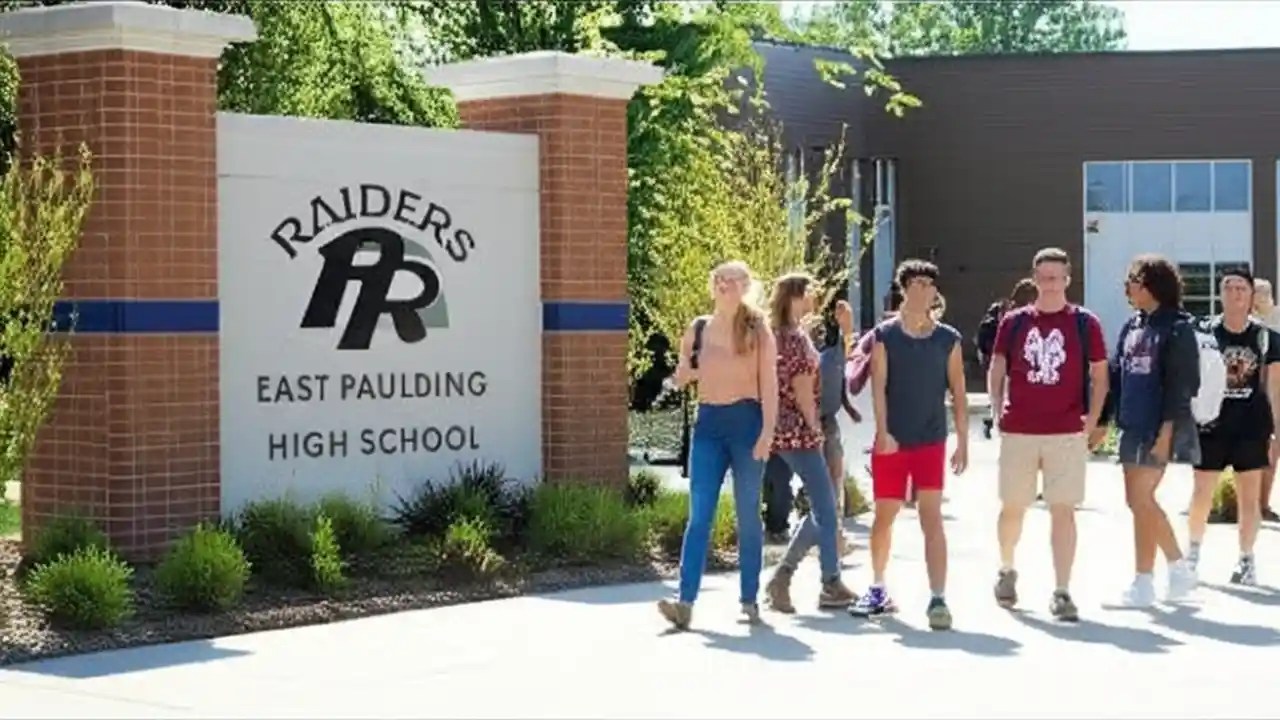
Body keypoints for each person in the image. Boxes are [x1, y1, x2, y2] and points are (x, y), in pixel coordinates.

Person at [987, 248, 1108, 622]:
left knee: (1063, 510)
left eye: (1057, 277)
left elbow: (1100, 374)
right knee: (1012, 506)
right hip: (1020, 429)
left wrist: (1092, 421)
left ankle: (1062, 590)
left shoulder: (1085, 323)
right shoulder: (1014, 322)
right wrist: (996, 412)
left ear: (1067, 280)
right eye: (1044, 277)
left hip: (1066, 432)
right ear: (1035, 279)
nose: (1051, 284)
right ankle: (1007, 568)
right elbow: (998, 366)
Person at [657, 260, 778, 630]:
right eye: (719, 280)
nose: (724, 285)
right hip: (708, 422)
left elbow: (769, 383)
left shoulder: (758, 329)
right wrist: (678, 380)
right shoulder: (697, 329)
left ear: (745, 286)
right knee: (699, 516)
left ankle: (749, 599)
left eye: (733, 280)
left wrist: (767, 433)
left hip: (747, 423)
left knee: (747, 516)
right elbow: (689, 373)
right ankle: (685, 601)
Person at [849, 259, 968, 630]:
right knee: (885, 515)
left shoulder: (948, 338)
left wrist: (963, 441)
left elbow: (959, 394)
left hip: (931, 438)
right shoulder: (885, 336)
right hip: (894, 440)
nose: (922, 289)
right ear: (903, 289)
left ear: (936, 292)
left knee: (931, 518)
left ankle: (938, 598)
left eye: (928, 284)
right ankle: (879, 587)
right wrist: (883, 433)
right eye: (915, 283)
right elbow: (879, 388)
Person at [1103, 254, 1200, 607]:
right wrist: (1103, 422)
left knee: (1141, 500)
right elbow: (1117, 376)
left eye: (1133, 280)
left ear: (1152, 285)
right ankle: (1177, 569)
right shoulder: (1132, 326)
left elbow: (1183, 384)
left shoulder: (1177, 328)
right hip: (1131, 424)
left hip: (1159, 427)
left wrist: (1167, 432)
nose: (1127, 287)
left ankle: (1144, 583)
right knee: (1138, 501)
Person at [763, 273, 859, 614]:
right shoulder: (796, 340)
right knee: (827, 508)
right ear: (797, 296)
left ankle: (788, 579)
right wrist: (815, 427)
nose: (815, 301)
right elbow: (804, 391)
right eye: (811, 295)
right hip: (800, 432)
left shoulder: (773, 336)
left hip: (781, 429)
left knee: (822, 508)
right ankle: (824, 581)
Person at [1185, 267, 1279, 586]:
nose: (1236, 293)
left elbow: (1274, 390)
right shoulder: (1206, 333)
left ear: (1252, 295)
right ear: (1221, 294)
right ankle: (1192, 555)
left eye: (1242, 288)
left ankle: (1246, 560)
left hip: (1251, 427)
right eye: (1229, 287)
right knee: (1201, 494)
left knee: (1249, 498)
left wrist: (1275, 432)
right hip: (1212, 424)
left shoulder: (1267, 338)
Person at [976, 279, 1039, 439]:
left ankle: (996, 420)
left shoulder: (1005, 310)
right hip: (1010, 363)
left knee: (1001, 397)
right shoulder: (1018, 316)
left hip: (999, 360)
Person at [1252, 277, 1280, 522]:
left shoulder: (1277, 321)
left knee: (1272, 449)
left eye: (1262, 292)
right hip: (1248, 394)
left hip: (1276, 393)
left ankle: (1263, 503)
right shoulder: (1246, 322)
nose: (1258, 297)